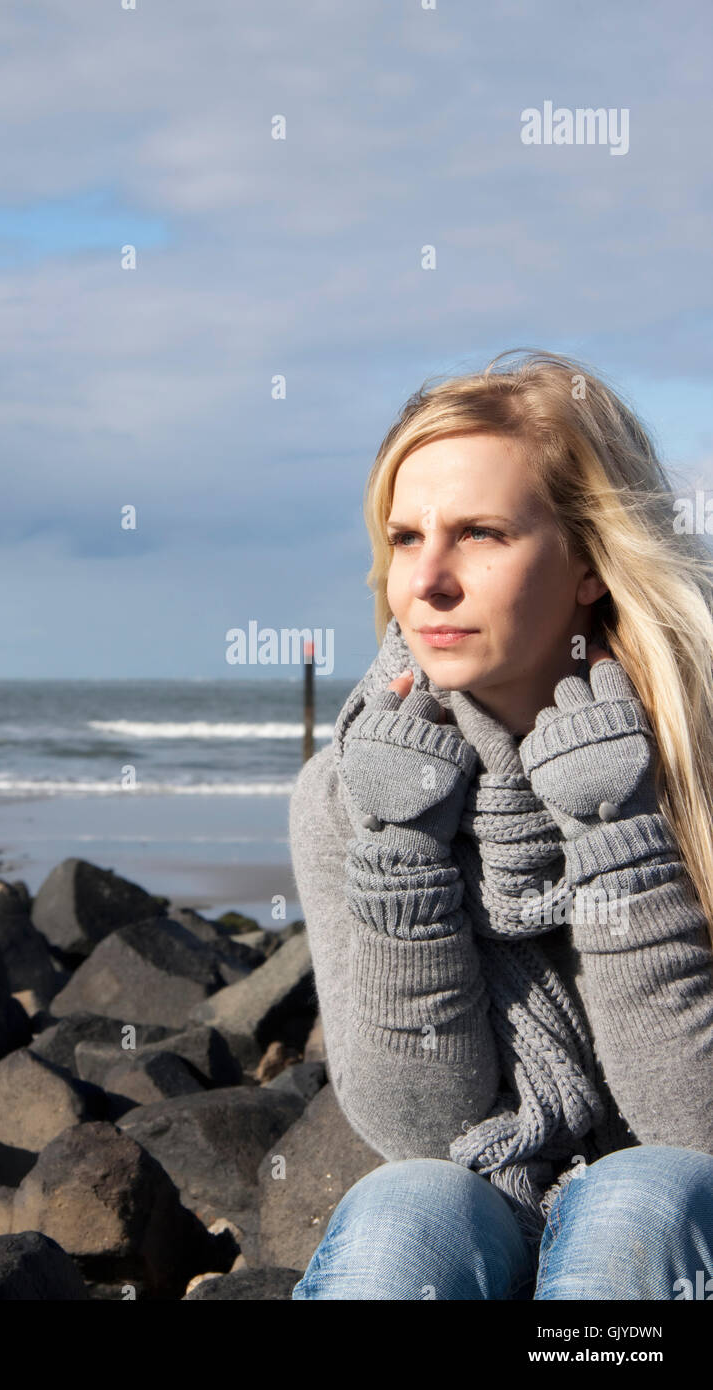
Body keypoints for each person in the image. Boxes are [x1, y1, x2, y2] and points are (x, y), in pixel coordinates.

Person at [288, 349, 713, 1300]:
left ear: (591, 563)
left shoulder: (695, 769)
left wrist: (615, 830)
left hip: (678, 1234)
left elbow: (696, 1132)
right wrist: (400, 843)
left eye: (479, 534)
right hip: (489, 1206)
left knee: (639, 1195)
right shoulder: (345, 795)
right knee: (406, 1210)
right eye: (405, 538)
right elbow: (419, 1132)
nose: (428, 579)